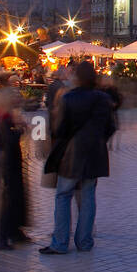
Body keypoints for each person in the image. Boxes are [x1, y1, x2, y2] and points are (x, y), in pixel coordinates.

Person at [41, 62, 116, 254]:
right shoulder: (103, 99)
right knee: (89, 196)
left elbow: (61, 129)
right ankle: (84, 241)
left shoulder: (70, 98)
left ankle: (60, 242)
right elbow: (111, 127)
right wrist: (99, 139)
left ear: (77, 77)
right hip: (95, 153)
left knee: (63, 195)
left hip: (72, 154)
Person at [0, 88, 30, 249]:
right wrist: (19, 130)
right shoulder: (3, 116)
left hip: (9, 158)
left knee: (11, 196)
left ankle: (13, 231)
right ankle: (0, 236)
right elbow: (3, 139)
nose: (18, 99)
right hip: (5, 159)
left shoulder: (7, 114)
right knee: (4, 198)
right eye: (15, 97)